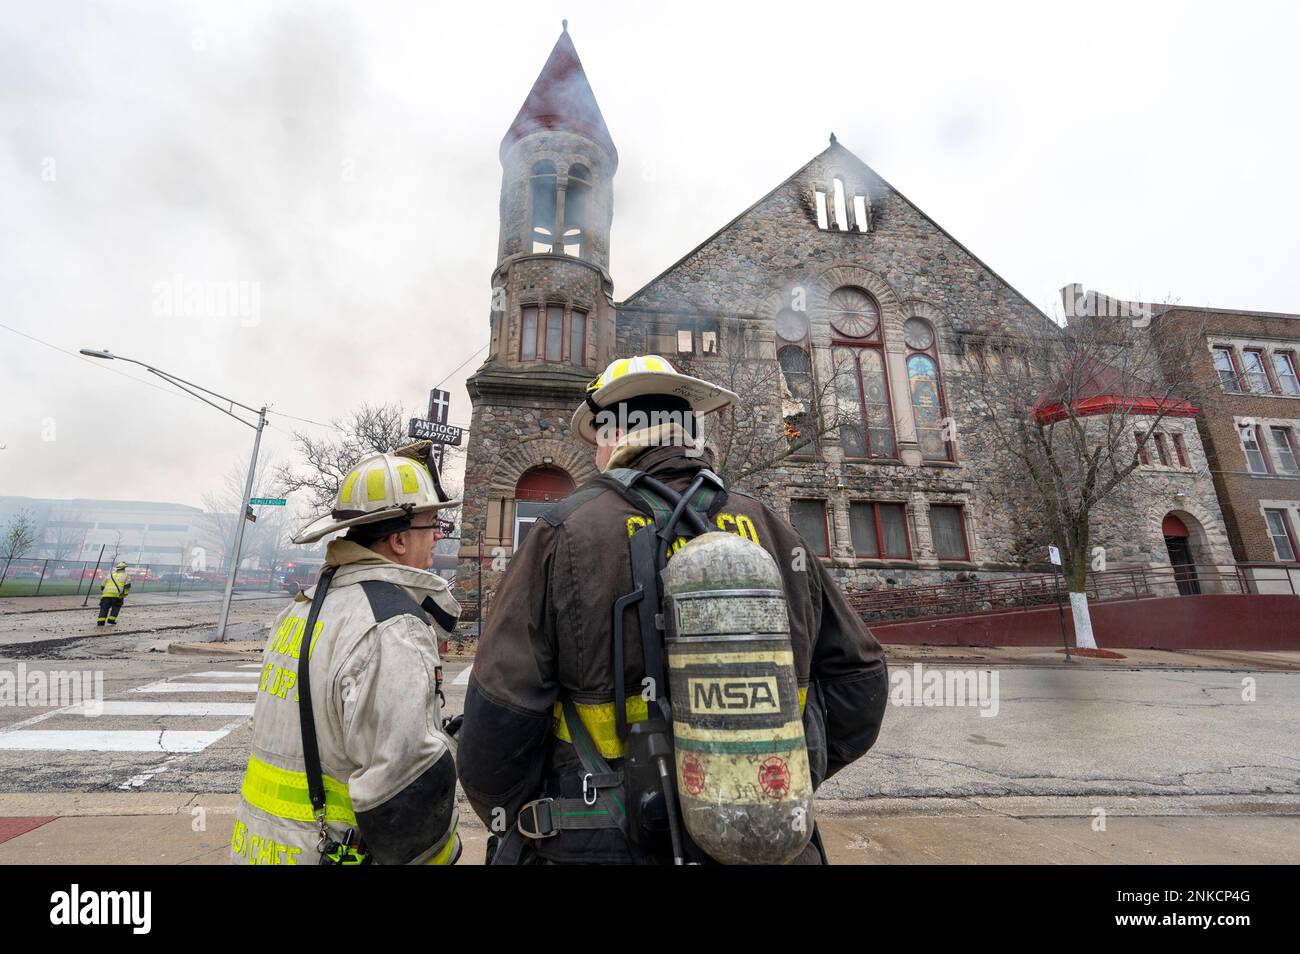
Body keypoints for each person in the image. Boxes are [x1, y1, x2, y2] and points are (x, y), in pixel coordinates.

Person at [457, 354, 888, 864]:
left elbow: (495, 731)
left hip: (601, 845)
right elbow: (859, 685)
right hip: (766, 842)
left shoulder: (562, 532)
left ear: (613, 434)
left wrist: (544, 821)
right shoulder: (773, 528)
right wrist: (778, 779)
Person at [231, 444, 463, 865]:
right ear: (398, 540)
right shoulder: (392, 627)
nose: (439, 535)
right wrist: (445, 852)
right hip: (335, 850)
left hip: (259, 846)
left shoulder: (300, 609)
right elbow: (406, 783)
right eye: (434, 524)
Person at [97, 561, 131, 626]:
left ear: (117, 568)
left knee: (104, 608)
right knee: (116, 607)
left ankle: (100, 622)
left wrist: (104, 592)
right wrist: (124, 594)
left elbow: (102, 585)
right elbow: (127, 587)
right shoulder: (126, 576)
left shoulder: (110, 575)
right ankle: (111, 620)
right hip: (117, 595)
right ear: (124, 568)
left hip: (106, 595)